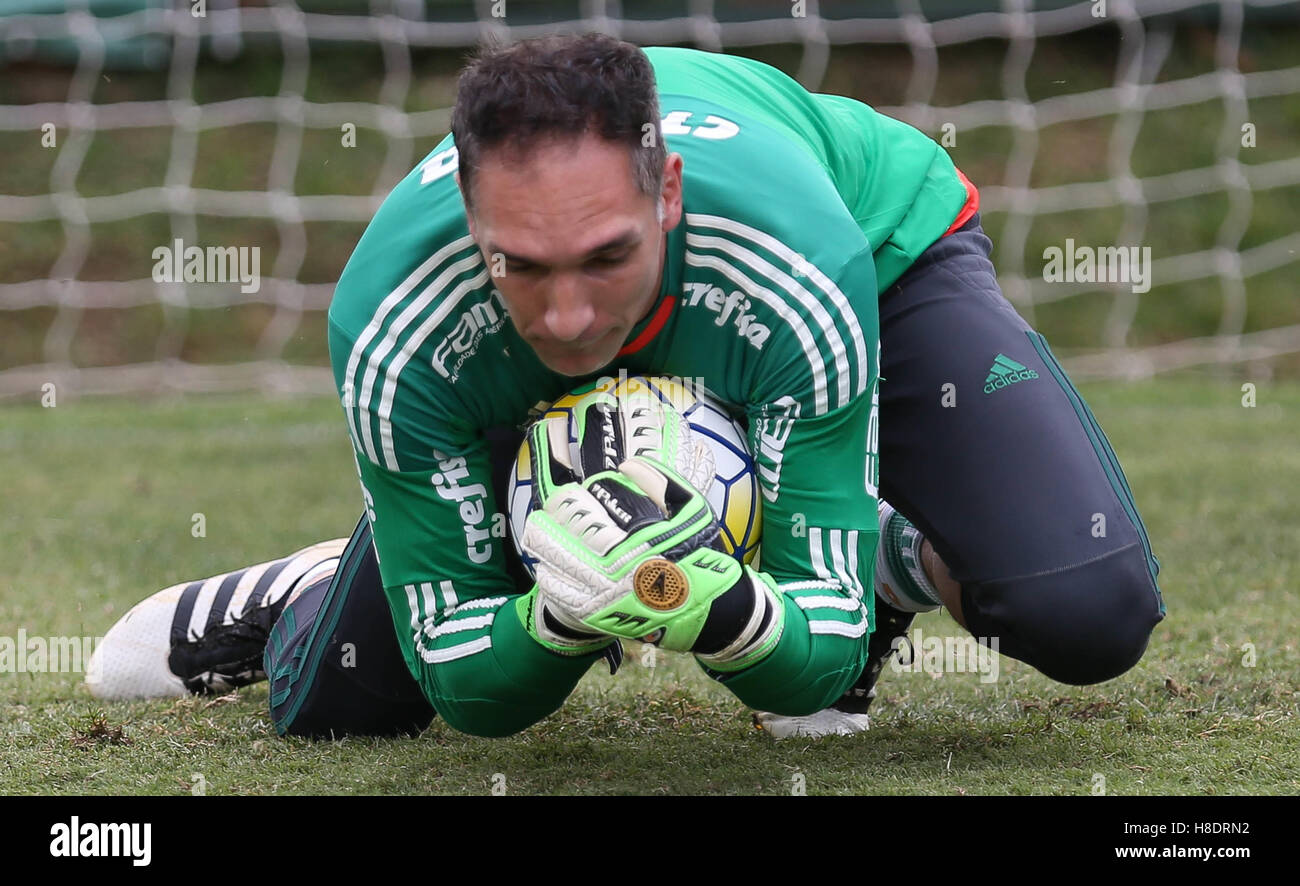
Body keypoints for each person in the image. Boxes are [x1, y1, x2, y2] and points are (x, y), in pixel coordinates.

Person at [88, 34, 1165, 740]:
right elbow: (471, 685)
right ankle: (312, 582)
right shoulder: (393, 321)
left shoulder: (798, 266)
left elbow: (817, 650)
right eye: (520, 264)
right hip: (540, 390)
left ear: (668, 195)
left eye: (604, 257)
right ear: (471, 226)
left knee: (1087, 608)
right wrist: (557, 614)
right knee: (345, 705)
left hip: (874, 250)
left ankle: (868, 545)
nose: (565, 317)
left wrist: (734, 611)